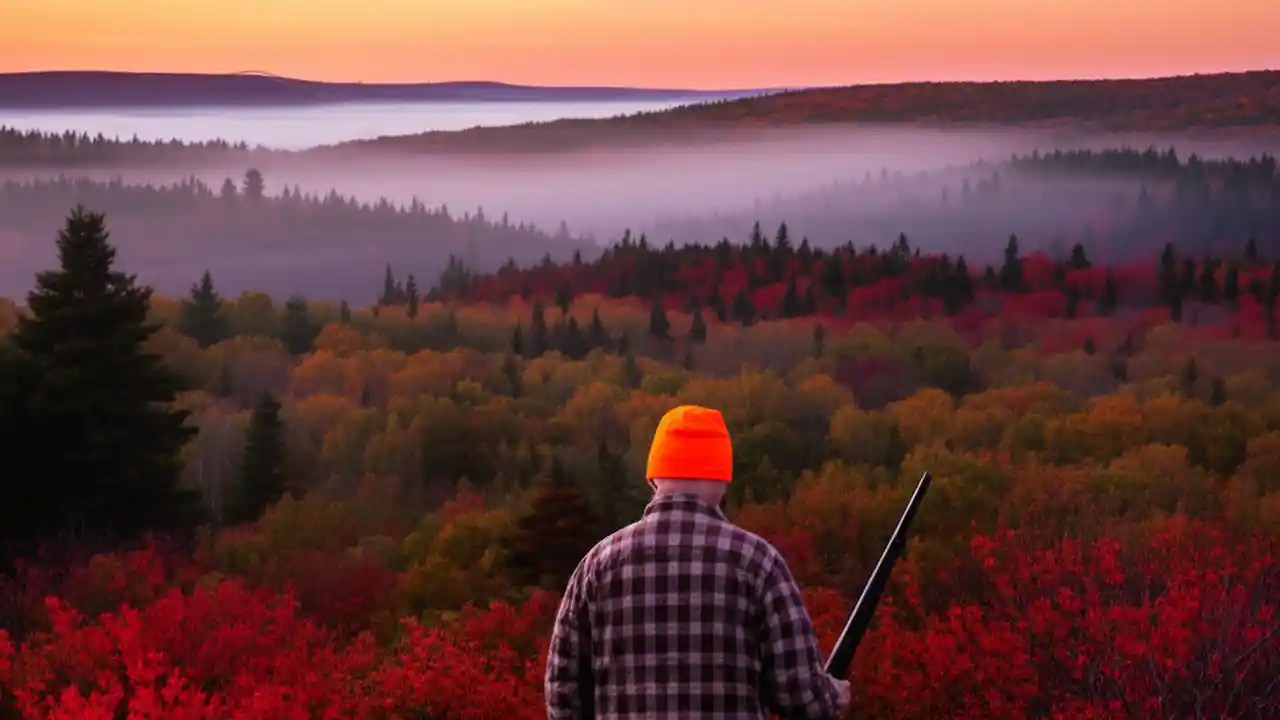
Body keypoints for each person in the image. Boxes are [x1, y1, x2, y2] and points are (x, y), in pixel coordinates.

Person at [546, 404, 851, 719]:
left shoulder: (597, 566)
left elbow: (563, 694)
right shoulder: (758, 562)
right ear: (723, 480)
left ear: (653, 479)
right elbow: (801, 696)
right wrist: (834, 694)